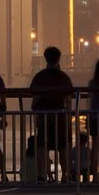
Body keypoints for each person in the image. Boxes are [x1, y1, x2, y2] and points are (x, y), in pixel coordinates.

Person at [27, 46, 75, 183]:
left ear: (45, 59)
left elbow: (34, 98)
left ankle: (42, 175)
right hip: (60, 117)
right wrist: (69, 115)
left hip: (43, 116)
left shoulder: (39, 77)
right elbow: (68, 100)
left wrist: (35, 114)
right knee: (63, 146)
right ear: (58, 59)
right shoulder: (63, 77)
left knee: (42, 146)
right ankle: (66, 176)